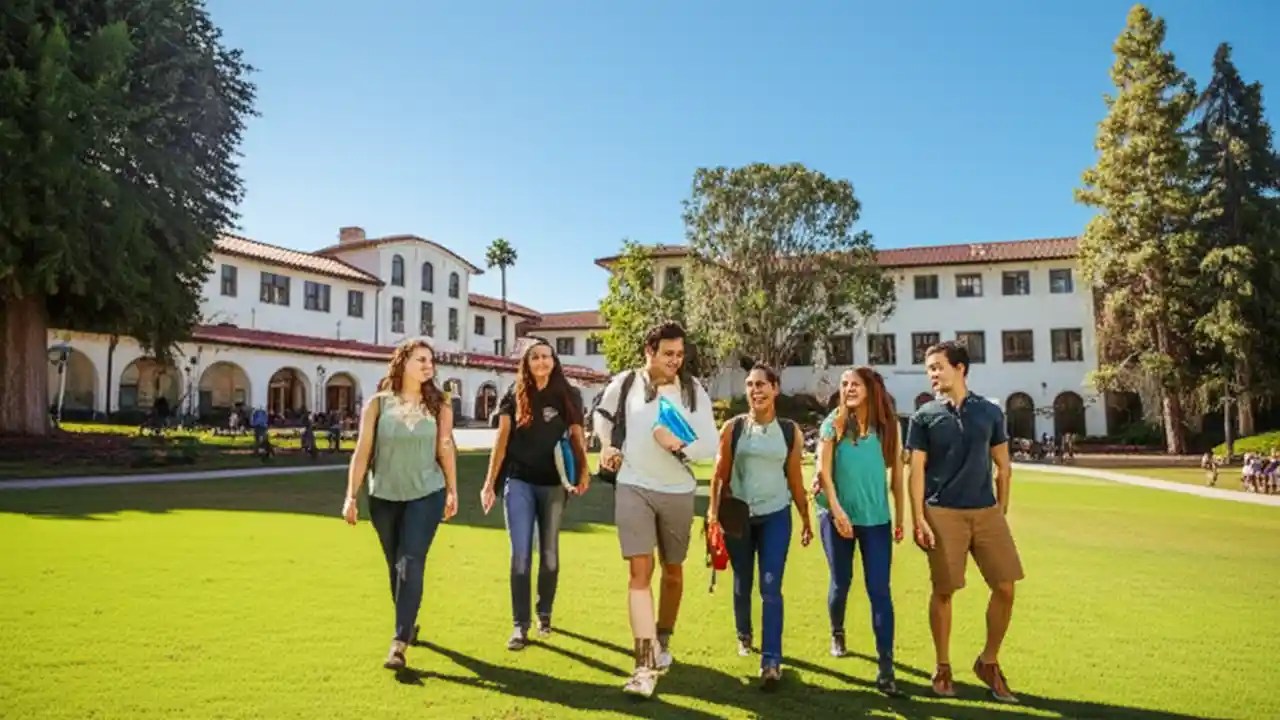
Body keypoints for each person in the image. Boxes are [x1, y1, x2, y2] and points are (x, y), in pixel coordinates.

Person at [593, 321, 719, 698]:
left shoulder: (693, 391)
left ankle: (663, 638)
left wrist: (677, 445)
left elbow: (709, 443)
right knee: (639, 573)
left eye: (680, 355)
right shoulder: (625, 384)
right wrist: (607, 445)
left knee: (674, 573)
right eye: (668, 354)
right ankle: (644, 665)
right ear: (648, 351)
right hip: (633, 486)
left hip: (679, 491)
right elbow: (602, 415)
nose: (675, 362)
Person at [907, 341, 1024, 703]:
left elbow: (1003, 466)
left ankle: (988, 662)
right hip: (942, 513)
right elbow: (916, 472)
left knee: (1005, 586)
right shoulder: (924, 415)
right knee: (944, 590)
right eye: (929, 368)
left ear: (960, 368)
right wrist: (918, 519)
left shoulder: (989, 411)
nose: (933, 374)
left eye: (938, 366)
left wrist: (1000, 510)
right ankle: (942, 666)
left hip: (986, 512)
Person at [342, 337, 459, 670]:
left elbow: (445, 447)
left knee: (410, 561)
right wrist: (351, 495)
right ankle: (408, 622)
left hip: (427, 493)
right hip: (384, 497)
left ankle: (399, 643)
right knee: (395, 566)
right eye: (420, 358)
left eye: (431, 360)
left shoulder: (440, 404)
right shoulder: (378, 404)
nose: (427, 365)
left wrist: (452, 489)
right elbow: (362, 452)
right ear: (403, 361)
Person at [707, 363, 812, 690]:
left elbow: (795, 479)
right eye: (751, 385)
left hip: (776, 515)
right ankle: (744, 633)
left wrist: (806, 517)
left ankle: (771, 660)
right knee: (743, 579)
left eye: (762, 385)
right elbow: (719, 476)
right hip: (739, 516)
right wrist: (713, 515)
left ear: (775, 389)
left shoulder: (789, 431)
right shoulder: (734, 428)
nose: (756, 391)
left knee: (770, 586)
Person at [481, 339, 591, 650]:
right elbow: (501, 442)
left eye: (547, 357)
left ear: (554, 361)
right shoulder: (512, 396)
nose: (542, 362)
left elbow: (577, 437)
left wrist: (583, 472)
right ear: (526, 364)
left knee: (550, 556)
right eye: (535, 358)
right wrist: (489, 483)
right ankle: (520, 625)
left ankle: (545, 612)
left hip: (554, 485)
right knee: (520, 555)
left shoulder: (570, 396)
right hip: (519, 482)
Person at [815, 367, 905, 697]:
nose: (848, 388)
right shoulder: (833, 424)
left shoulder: (888, 428)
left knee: (880, 590)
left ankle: (886, 667)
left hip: (876, 520)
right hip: (835, 515)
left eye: (855, 384)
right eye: (844, 384)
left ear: (870, 388)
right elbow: (824, 474)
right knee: (841, 582)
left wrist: (900, 519)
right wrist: (838, 513)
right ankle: (837, 631)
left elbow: (896, 478)